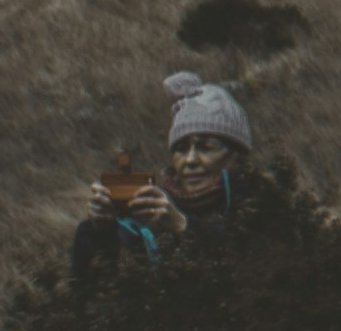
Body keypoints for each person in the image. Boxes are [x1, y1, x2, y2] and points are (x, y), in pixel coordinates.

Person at [71, 70, 290, 285]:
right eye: (181, 149)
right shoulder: (150, 211)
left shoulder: (267, 203)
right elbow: (90, 291)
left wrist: (183, 226)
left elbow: (263, 265)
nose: (190, 160)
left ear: (235, 156)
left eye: (206, 148)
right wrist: (100, 232)